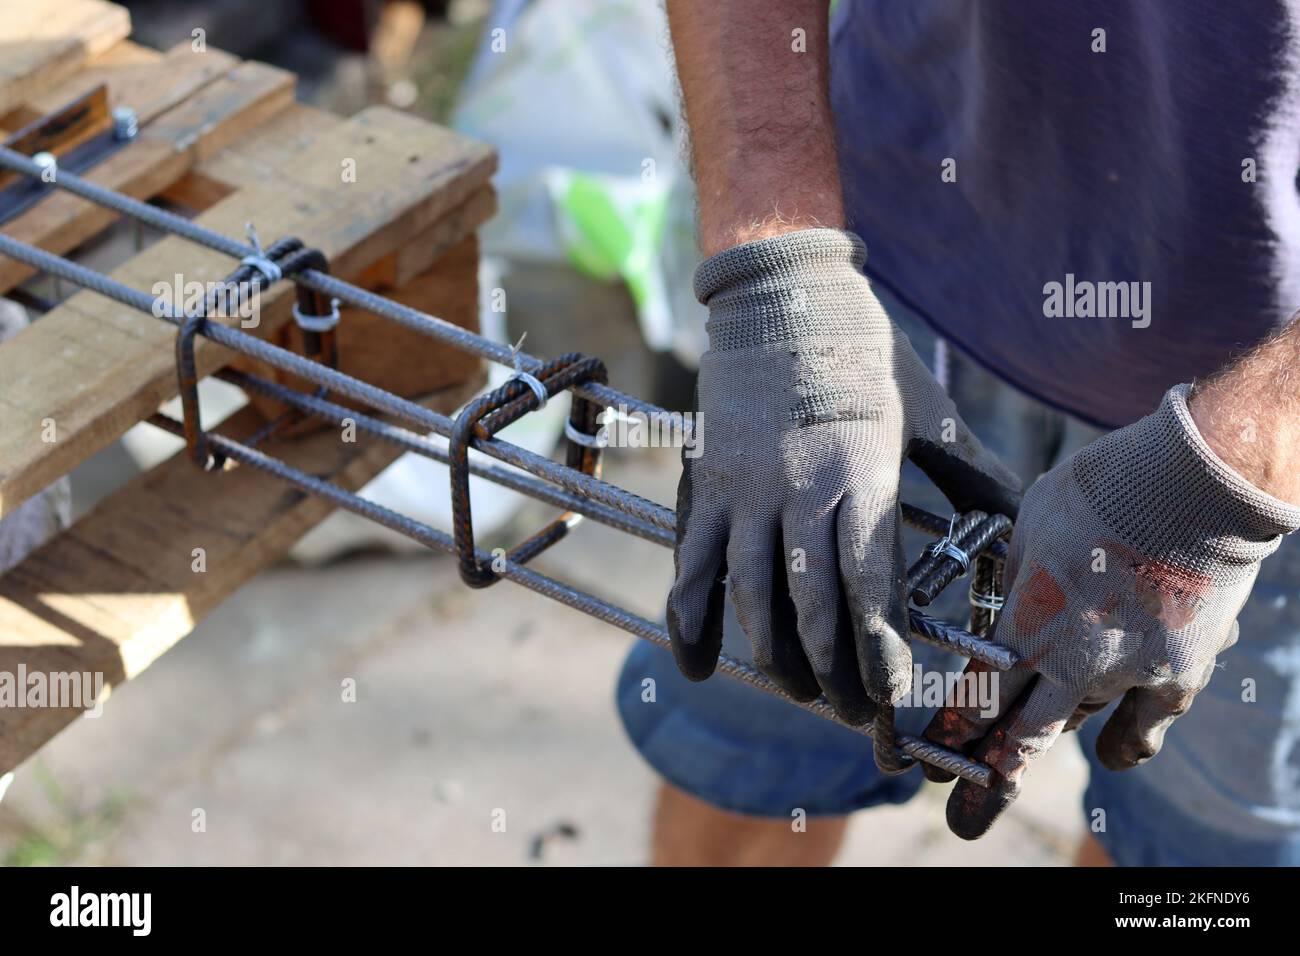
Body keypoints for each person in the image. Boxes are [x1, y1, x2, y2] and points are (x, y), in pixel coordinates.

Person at [617, 0, 1300, 866]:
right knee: (754, 766)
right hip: (881, 285)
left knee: (1188, 869)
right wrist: (778, 272)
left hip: (1267, 420)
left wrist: (1243, 461)